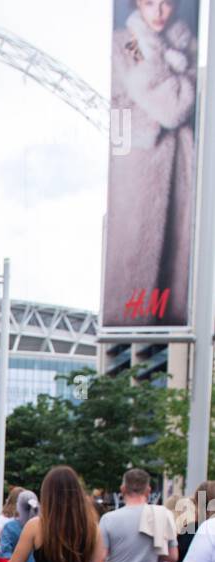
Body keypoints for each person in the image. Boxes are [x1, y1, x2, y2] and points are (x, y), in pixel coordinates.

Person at [103, 0, 198, 329]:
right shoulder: (122, 45)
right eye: (149, 3)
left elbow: (174, 109)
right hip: (136, 172)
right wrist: (170, 76)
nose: (158, 12)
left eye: (166, 3)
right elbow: (166, 108)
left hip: (182, 171)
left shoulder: (191, 45)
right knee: (133, 262)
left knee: (177, 269)